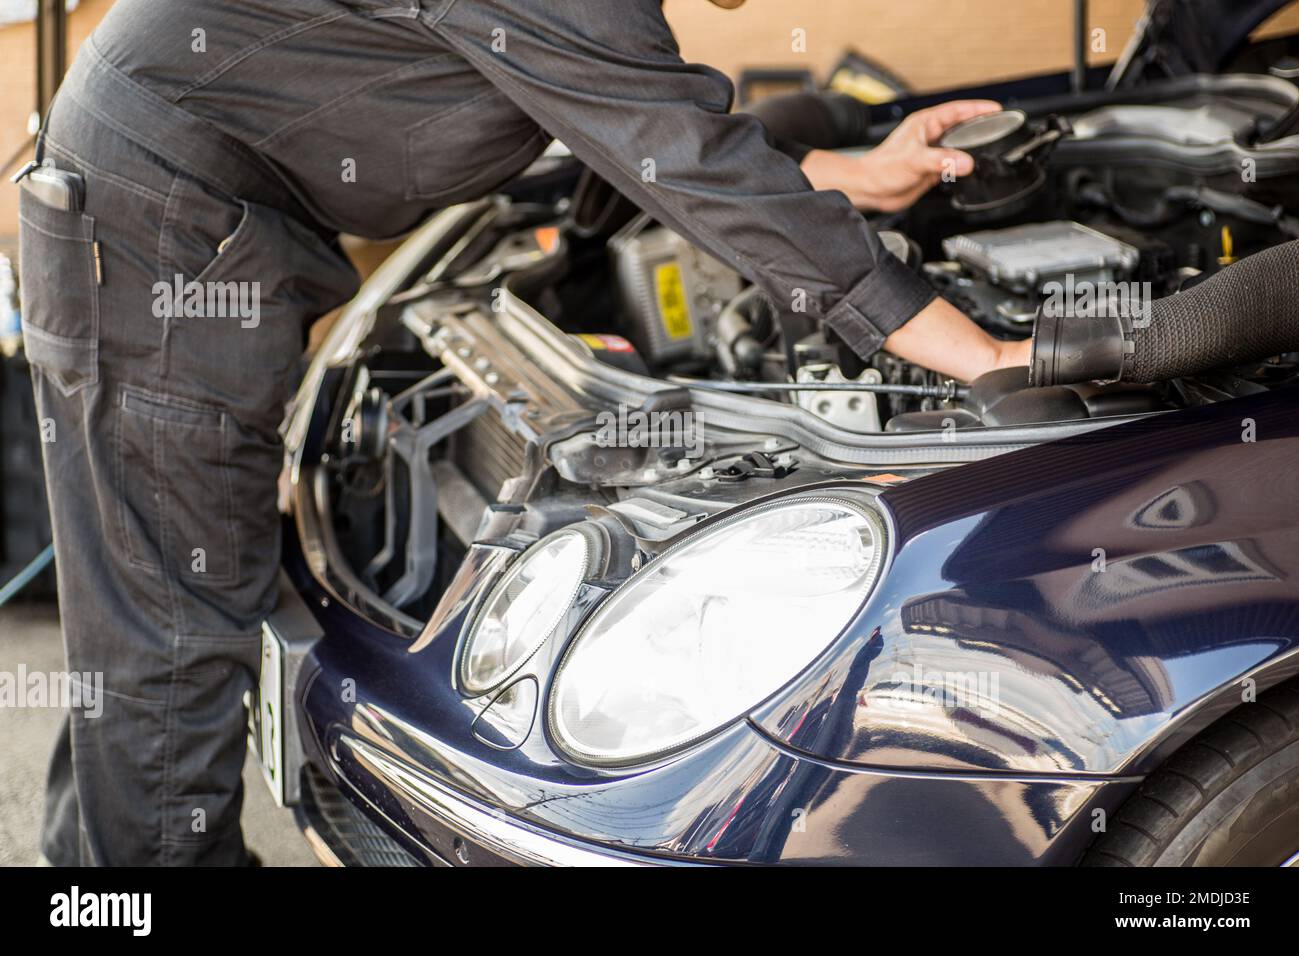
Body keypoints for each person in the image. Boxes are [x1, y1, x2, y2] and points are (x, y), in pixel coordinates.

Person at [19, 0, 1026, 866]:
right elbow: (670, 142)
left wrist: (844, 171)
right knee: (172, 627)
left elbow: (617, 118)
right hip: (156, 237)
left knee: (144, 603)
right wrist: (977, 353)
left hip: (177, 219)